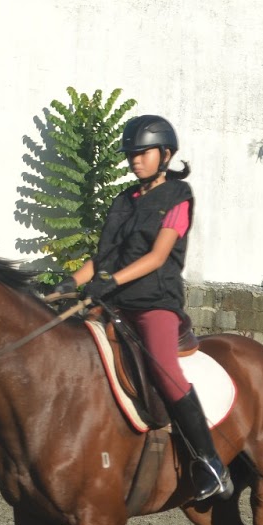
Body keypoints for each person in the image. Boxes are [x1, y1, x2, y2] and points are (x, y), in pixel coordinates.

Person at [58, 115, 234, 502]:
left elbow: (157, 256)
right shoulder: (123, 201)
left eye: (143, 153)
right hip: (113, 303)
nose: (135, 160)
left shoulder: (177, 196)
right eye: (131, 155)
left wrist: (112, 281)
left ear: (165, 154)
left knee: (165, 372)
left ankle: (209, 462)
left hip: (154, 303)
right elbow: (103, 258)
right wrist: (69, 283)